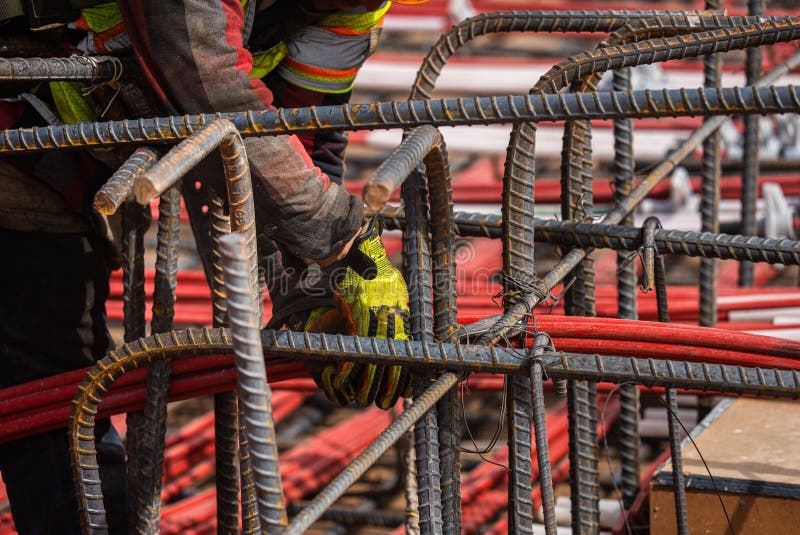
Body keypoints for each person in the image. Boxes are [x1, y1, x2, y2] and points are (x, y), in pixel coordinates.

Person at [0, 0, 427, 532]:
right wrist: (345, 242)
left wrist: (312, 288)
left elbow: (301, 137)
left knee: (59, 398)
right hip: (22, 125)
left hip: (60, 150)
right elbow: (203, 83)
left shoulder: (354, 6)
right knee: (47, 393)